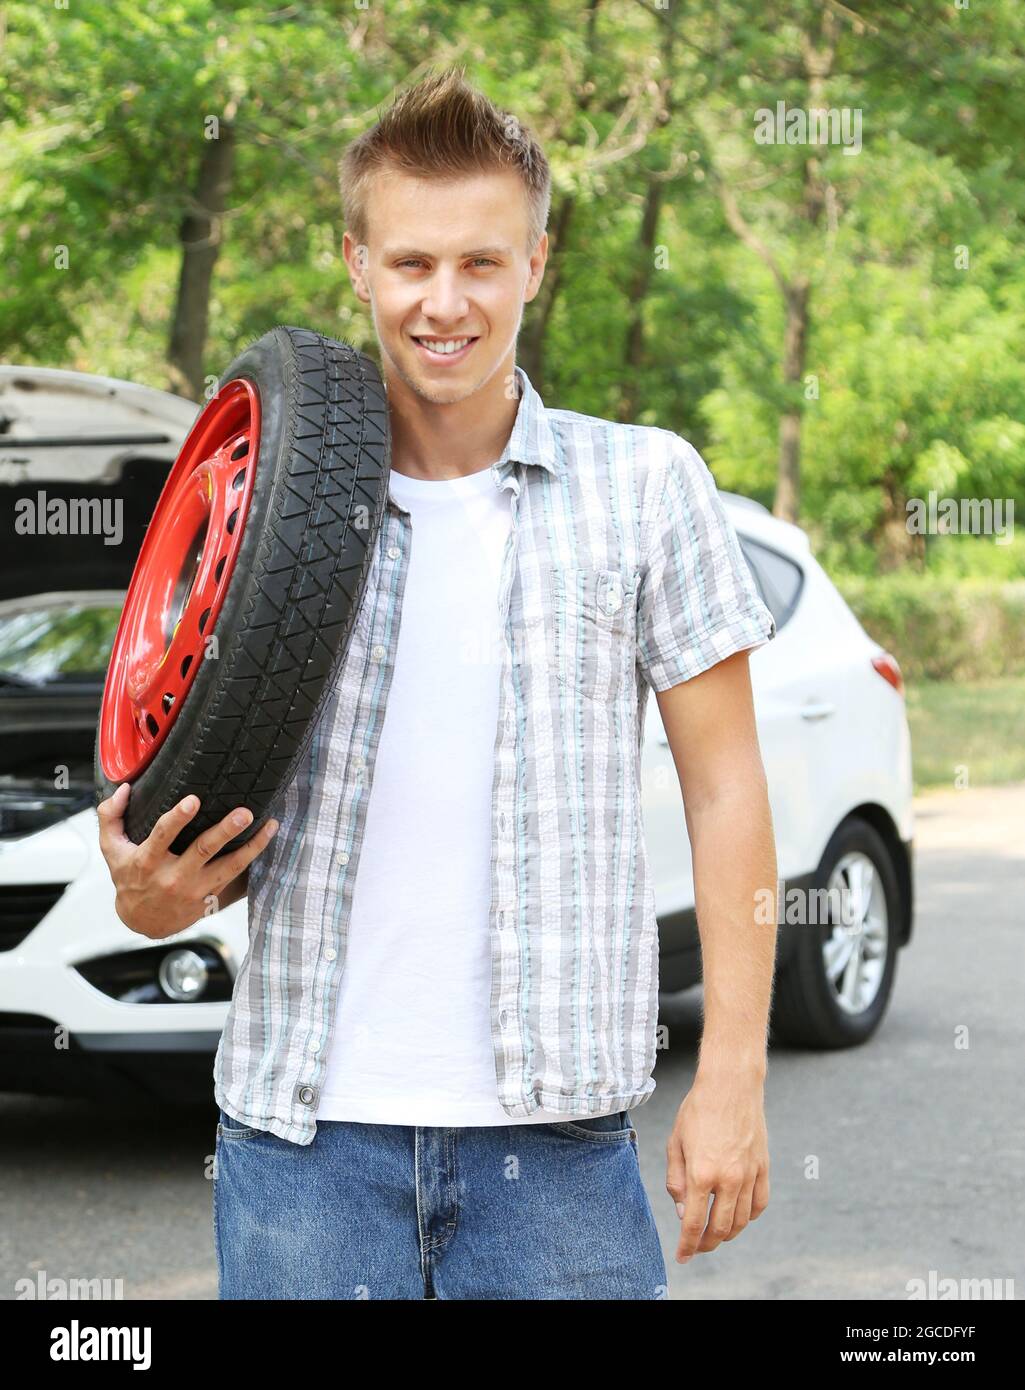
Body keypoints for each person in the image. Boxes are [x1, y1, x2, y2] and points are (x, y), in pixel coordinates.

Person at [97, 67, 779, 1300]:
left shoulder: (644, 487)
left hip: (561, 1153)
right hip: (304, 1148)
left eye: (481, 262)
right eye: (411, 265)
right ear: (357, 264)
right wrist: (151, 899)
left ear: (536, 263)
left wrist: (731, 1075)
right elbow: (185, 812)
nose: (444, 303)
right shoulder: (258, 525)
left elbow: (725, 789)